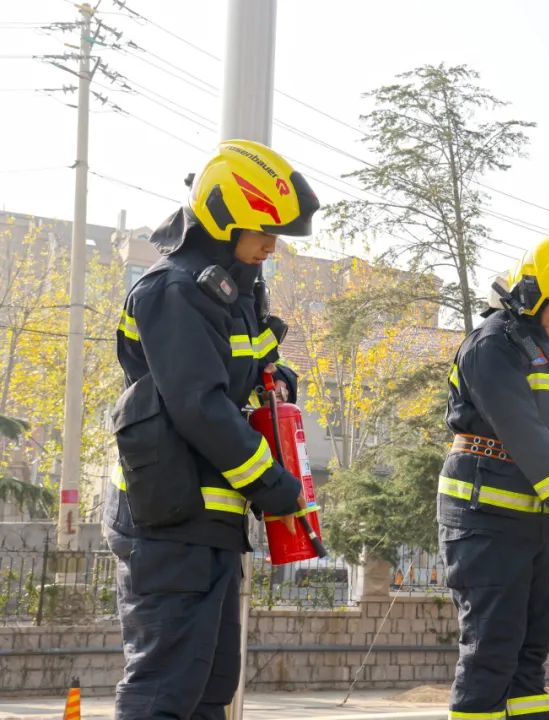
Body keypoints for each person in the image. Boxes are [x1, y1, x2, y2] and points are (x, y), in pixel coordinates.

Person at [105, 140, 320, 719]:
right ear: (224, 219)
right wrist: (275, 487)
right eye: (263, 232)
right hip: (171, 519)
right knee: (164, 692)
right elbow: (199, 405)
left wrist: (271, 376)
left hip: (207, 521)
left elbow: (223, 379)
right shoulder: (173, 290)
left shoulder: (227, 289)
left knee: (209, 690)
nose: (271, 246)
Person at [437, 233, 549, 720]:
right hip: (484, 517)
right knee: (491, 653)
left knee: (529, 658)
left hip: (528, 523)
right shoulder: (493, 346)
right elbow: (526, 435)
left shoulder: (547, 347)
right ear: (532, 292)